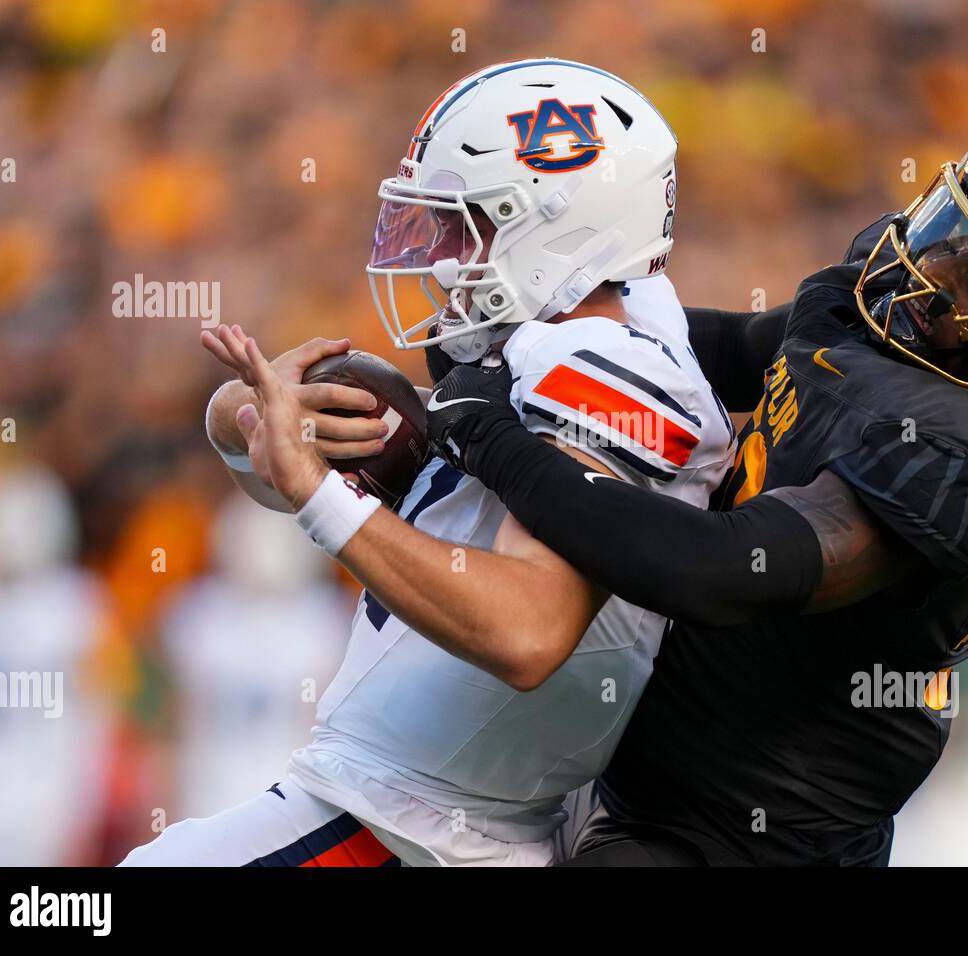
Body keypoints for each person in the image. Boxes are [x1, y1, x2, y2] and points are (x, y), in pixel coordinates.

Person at [426, 133, 968, 865]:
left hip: (746, 835)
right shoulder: (896, 317)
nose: (925, 268)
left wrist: (492, 436)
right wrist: (529, 338)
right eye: (947, 232)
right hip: (640, 765)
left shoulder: (962, 468)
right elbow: (723, 354)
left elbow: (719, 570)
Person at [121, 58, 734, 867]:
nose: (441, 257)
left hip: (416, 830)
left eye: (470, 223)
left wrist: (323, 501)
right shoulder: (552, 354)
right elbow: (344, 467)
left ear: (563, 226)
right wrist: (245, 417)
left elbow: (529, 628)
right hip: (406, 818)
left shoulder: (603, 363)